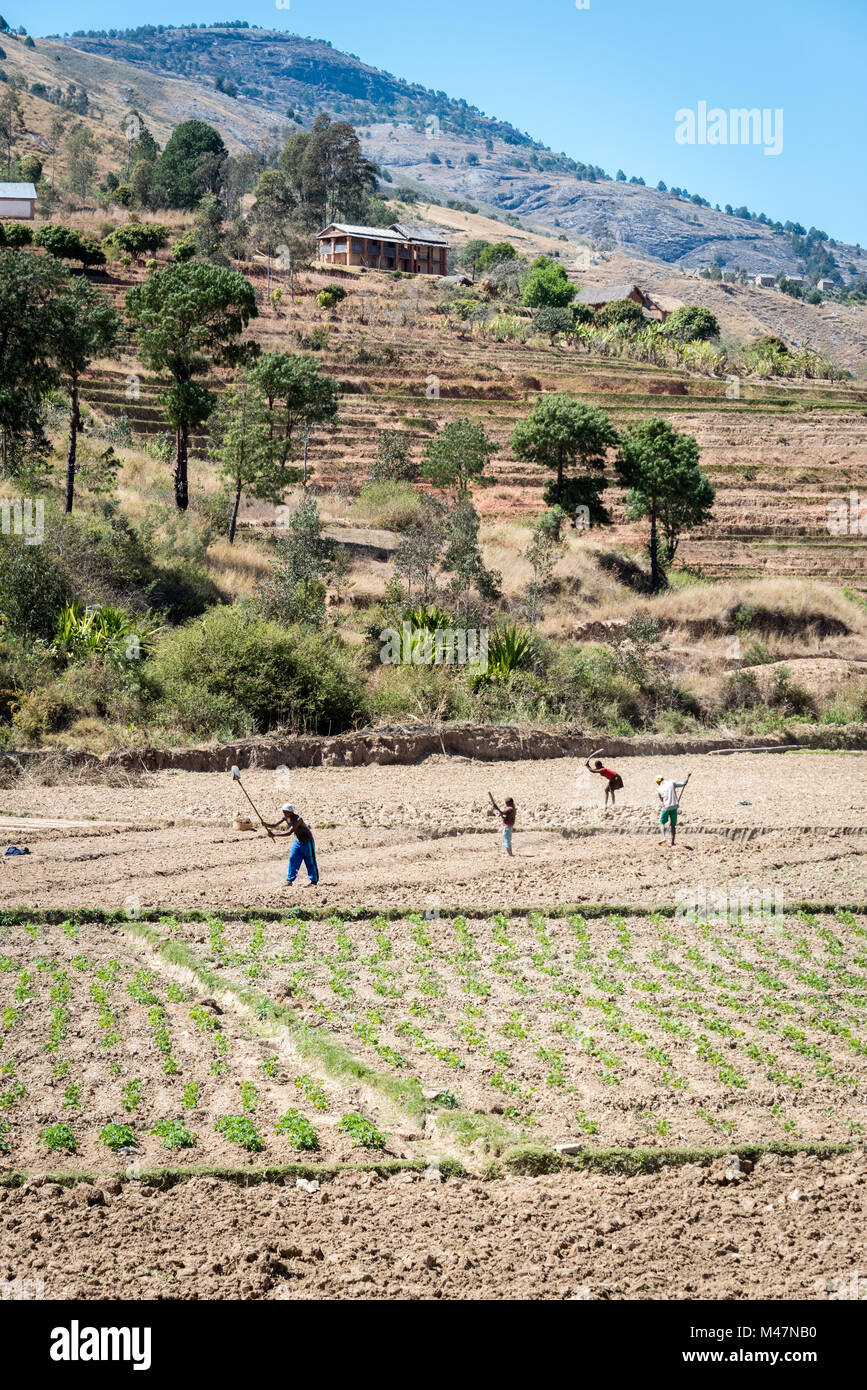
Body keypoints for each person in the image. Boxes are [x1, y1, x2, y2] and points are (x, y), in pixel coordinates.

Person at [262, 803, 319, 885]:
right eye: (283, 812)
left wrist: (275, 835)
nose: (284, 814)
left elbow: (289, 832)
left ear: (291, 812)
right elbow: (275, 825)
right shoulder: (286, 817)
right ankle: (289, 880)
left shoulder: (298, 819)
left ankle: (314, 881)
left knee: (310, 861)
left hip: (307, 842)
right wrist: (266, 824)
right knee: (293, 859)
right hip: (297, 842)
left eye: (286, 812)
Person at [655, 773, 690, 847]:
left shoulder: (659, 789)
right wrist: (688, 776)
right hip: (674, 806)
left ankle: (663, 837)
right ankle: (672, 842)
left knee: (662, 822)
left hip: (666, 807)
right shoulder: (671, 783)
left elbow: (662, 800)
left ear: (658, 782)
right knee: (673, 825)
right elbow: (684, 783)